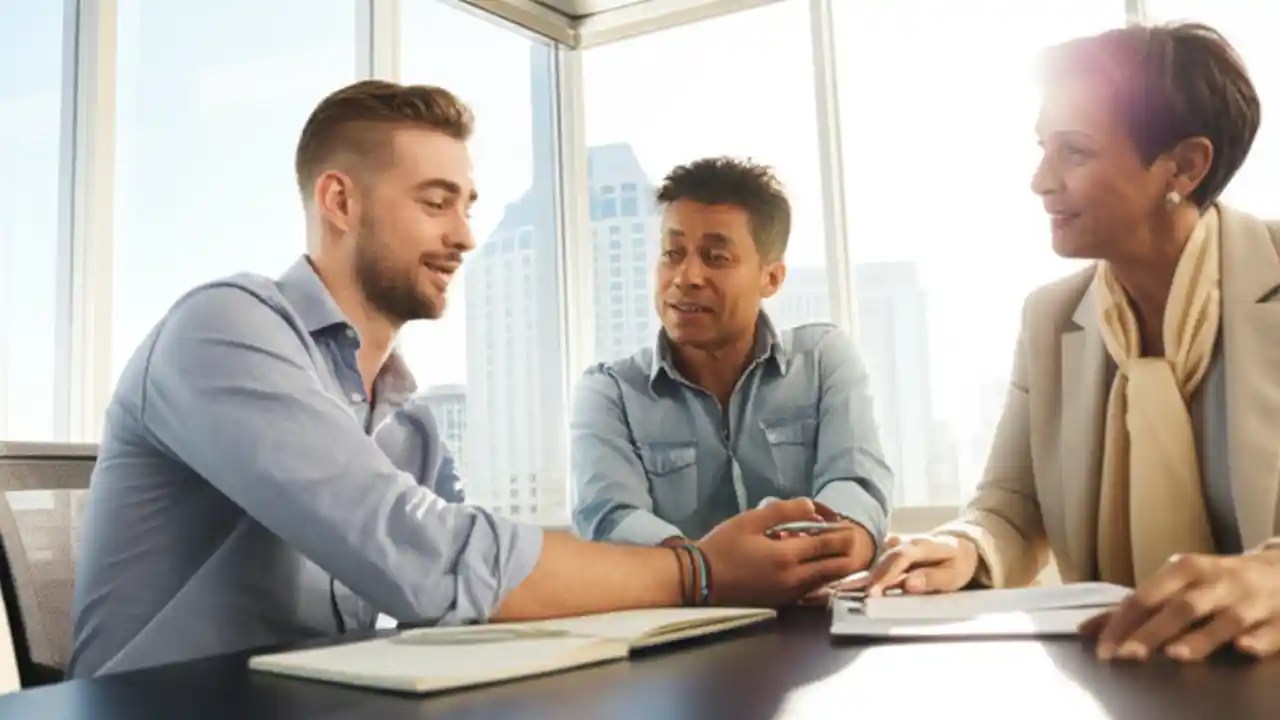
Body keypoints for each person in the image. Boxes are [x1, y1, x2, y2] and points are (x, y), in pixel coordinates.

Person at [68, 81, 866, 678]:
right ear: (340, 201)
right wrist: (701, 570)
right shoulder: (224, 329)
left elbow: (482, 591)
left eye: (468, 204)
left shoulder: (405, 422)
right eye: (436, 203)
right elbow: (431, 557)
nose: (466, 236)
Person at [851, 22, 1280, 663]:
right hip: (1123, 671)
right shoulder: (1051, 319)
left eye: (1074, 152)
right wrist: (964, 546)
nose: (1040, 180)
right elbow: (1012, 506)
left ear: (1185, 166)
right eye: (1043, 148)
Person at [570, 157, 892, 576]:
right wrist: (712, 573)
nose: (686, 277)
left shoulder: (823, 360)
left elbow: (856, 483)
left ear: (771, 278)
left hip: (815, 608)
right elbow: (609, 518)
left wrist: (841, 537)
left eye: (716, 257)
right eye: (672, 253)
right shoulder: (609, 392)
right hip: (677, 624)